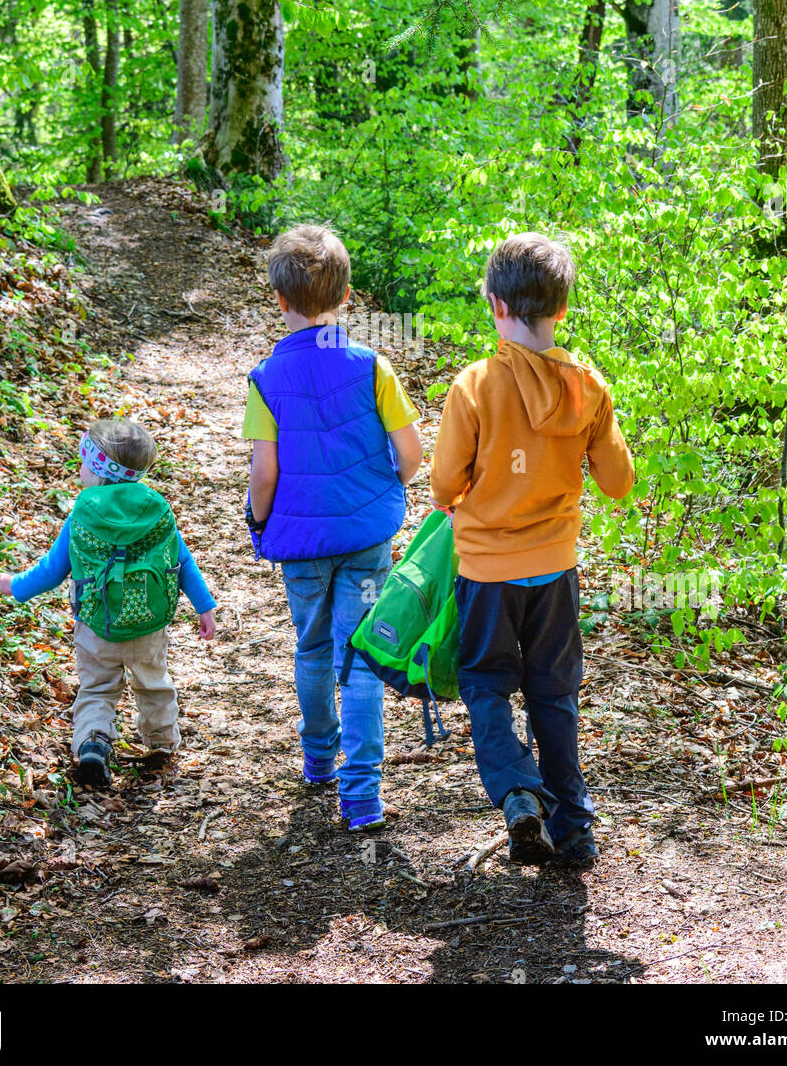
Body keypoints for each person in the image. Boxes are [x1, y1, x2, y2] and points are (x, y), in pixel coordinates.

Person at [430, 233, 634, 865]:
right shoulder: (587, 388)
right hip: (554, 568)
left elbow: (443, 485)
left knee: (485, 683)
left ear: (496, 305)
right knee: (554, 692)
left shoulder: (474, 385)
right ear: (562, 311)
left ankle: (518, 791)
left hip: (486, 572)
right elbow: (619, 483)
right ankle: (575, 830)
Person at [244, 225, 422, 831]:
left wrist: (259, 519)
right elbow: (411, 454)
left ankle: (318, 758)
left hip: (300, 546)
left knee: (313, 646)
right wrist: (384, 482)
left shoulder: (266, 379)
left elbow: (264, 471)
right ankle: (363, 794)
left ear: (279, 299)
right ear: (347, 298)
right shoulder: (373, 367)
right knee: (363, 655)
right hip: (369, 540)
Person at [0, 418, 216, 786]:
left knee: (98, 687)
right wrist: (204, 606)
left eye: (83, 462)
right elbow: (183, 562)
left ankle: (93, 744)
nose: (79, 470)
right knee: (153, 682)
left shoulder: (82, 514)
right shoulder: (156, 510)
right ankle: (162, 745)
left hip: (97, 625)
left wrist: (14, 586)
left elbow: (52, 572)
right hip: (148, 623)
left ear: (97, 469)